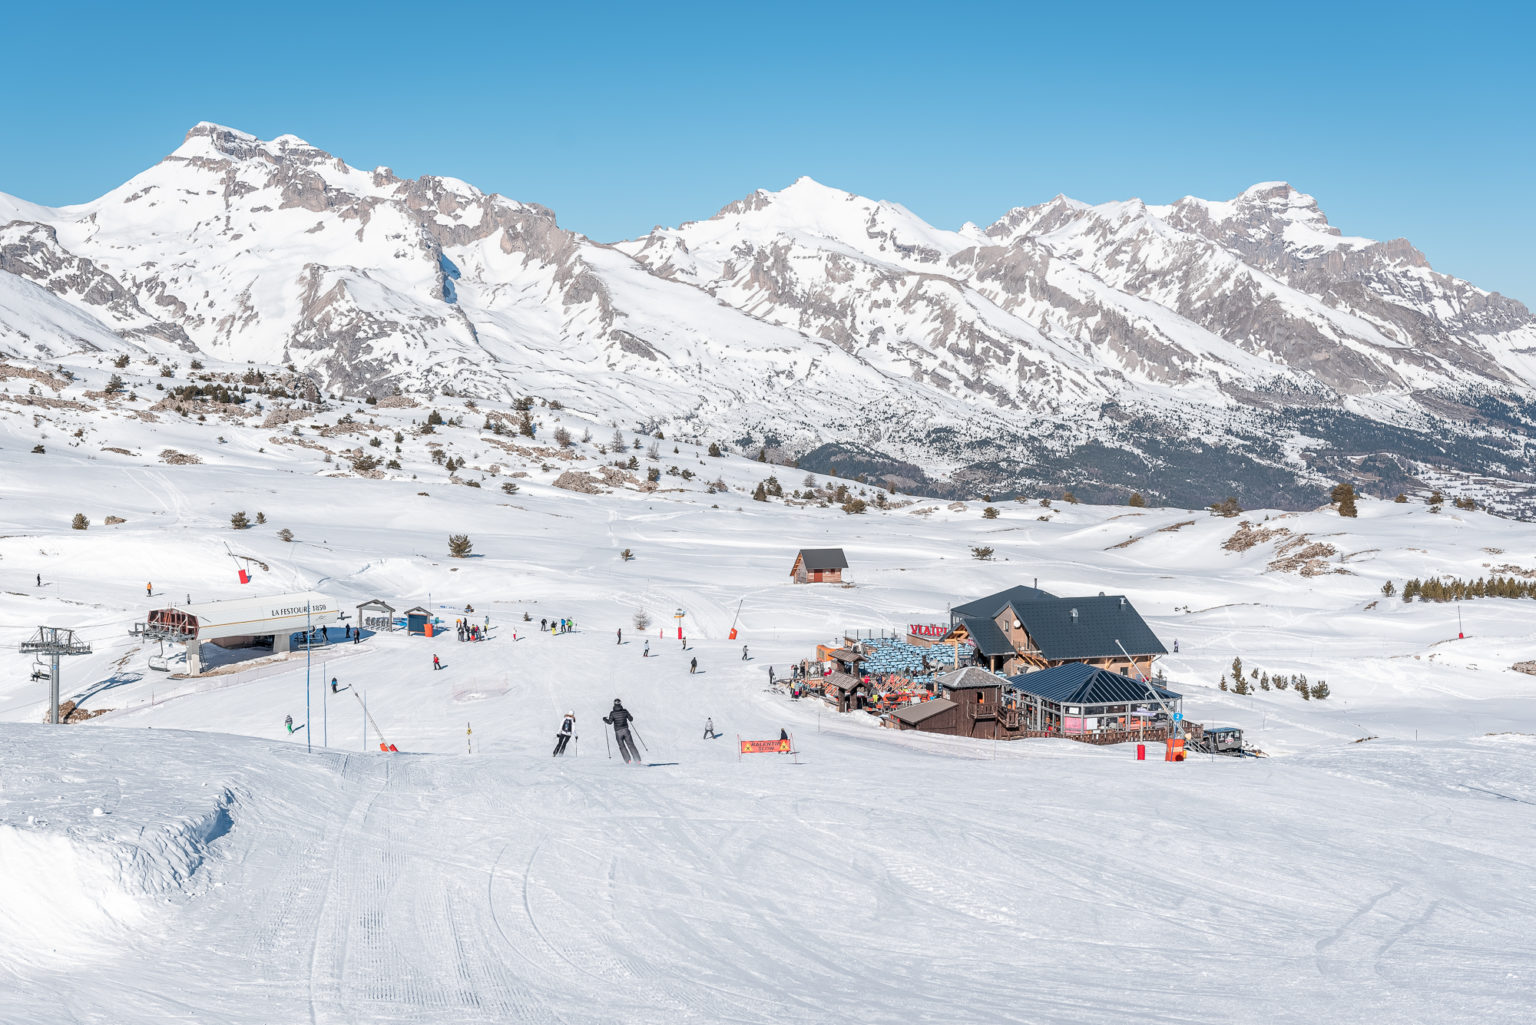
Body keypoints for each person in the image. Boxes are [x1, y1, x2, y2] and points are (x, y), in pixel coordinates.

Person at [604, 699, 640, 764]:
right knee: (631, 745)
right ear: (620, 703)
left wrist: (604, 719)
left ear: (614, 704)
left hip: (618, 732)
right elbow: (631, 719)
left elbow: (610, 722)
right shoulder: (625, 711)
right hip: (626, 730)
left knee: (622, 746)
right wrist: (627, 716)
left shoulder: (612, 713)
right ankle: (637, 760)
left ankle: (628, 760)